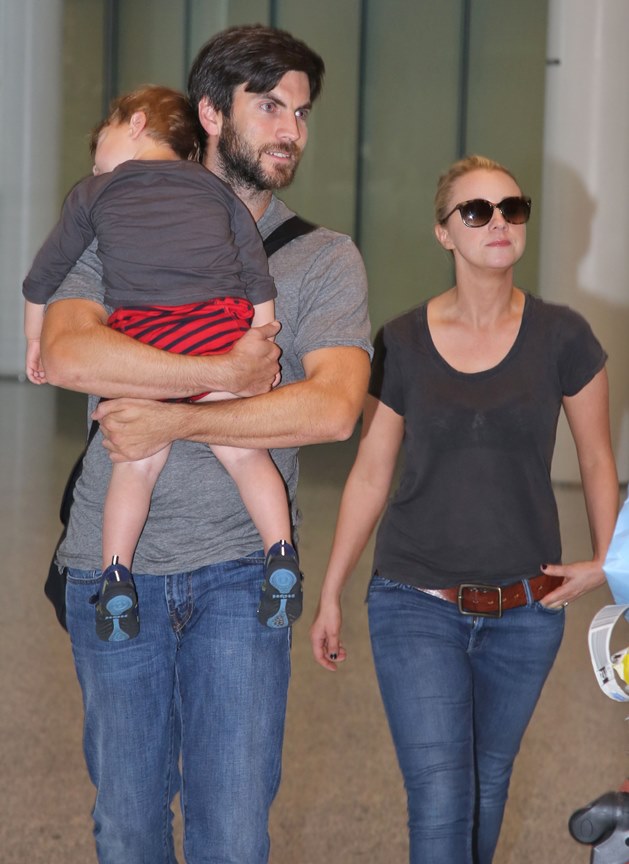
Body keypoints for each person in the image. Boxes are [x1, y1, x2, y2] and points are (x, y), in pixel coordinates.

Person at [39, 25, 371, 864]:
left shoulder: (323, 259)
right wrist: (221, 371)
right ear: (211, 115)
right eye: (271, 107)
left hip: (243, 578)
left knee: (233, 834)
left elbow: (333, 409)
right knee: (128, 829)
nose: (291, 130)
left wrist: (175, 416)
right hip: (113, 570)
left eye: (301, 112)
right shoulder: (115, 219)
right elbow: (68, 353)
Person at [310, 155, 619, 864]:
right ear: (443, 233)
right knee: (442, 794)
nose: (498, 223)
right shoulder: (401, 342)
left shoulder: (564, 338)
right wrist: (331, 591)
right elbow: (370, 473)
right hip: (414, 600)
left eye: (512, 208)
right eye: (476, 211)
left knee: (486, 783)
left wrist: (606, 562)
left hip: (527, 611)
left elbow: (598, 460)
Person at [23, 84, 302, 639]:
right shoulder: (213, 187)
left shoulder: (93, 192)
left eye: (100, 140)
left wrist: (33, 340)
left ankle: (116, 574)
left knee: (135, 465)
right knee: (245, 455)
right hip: (216, 330)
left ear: (134, 123)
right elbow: (253, 266)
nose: (94, 159)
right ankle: (280, 551)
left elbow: (43, 275)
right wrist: (259, 337)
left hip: (145, 337)